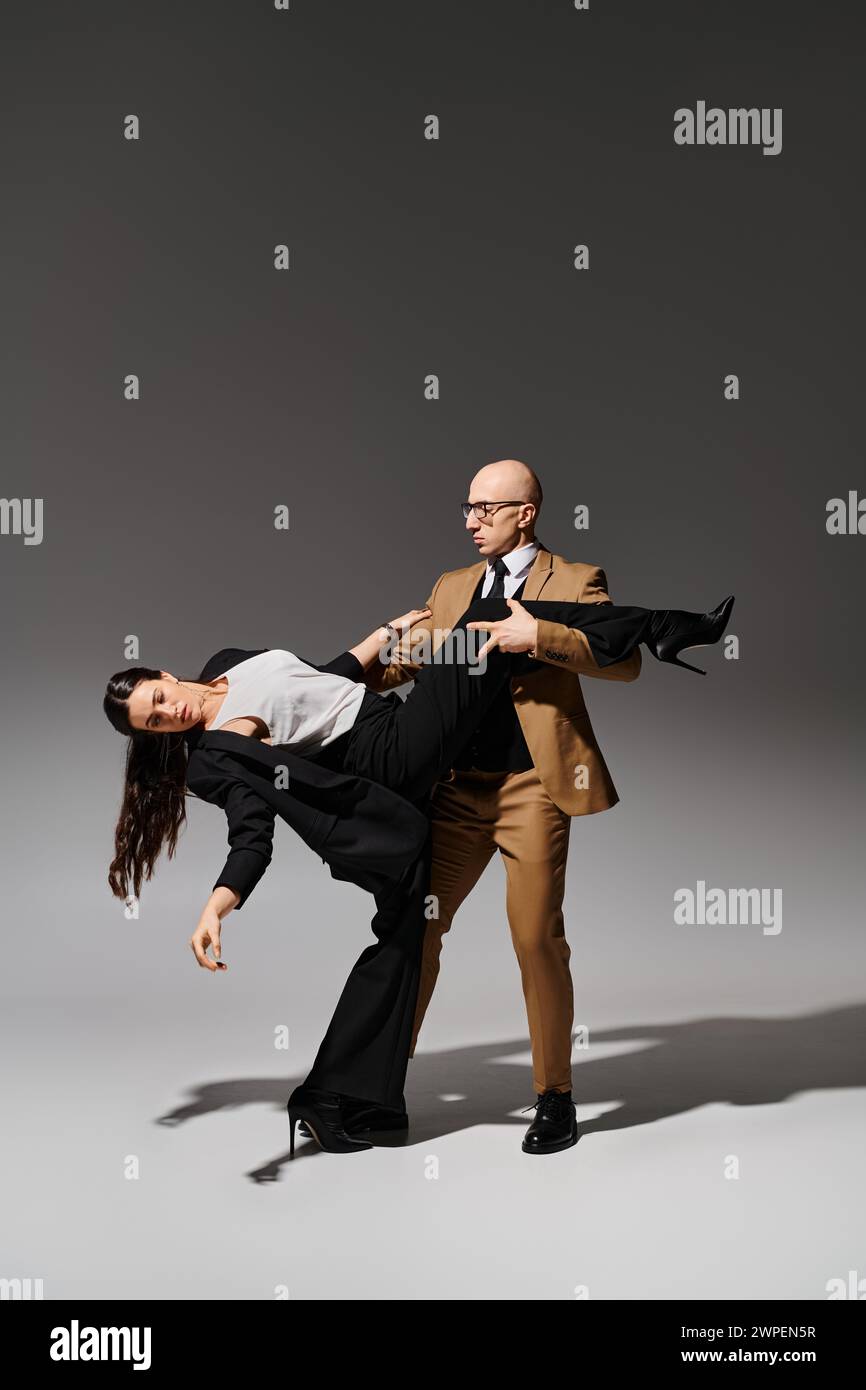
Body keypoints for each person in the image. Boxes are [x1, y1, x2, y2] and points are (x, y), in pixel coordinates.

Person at [103, 583, 734, 1156]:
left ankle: (350, 1101)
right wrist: (218, 906)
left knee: (406, 933)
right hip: (389, 759)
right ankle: (660, 627)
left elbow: (318, 683)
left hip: (392, 718)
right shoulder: (218, 750)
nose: (170, 715)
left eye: (159, 699)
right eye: (155, 724)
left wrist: (380, 637)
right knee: (491, 619)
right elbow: (251, 834)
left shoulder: (225, 664)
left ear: (164, 674)